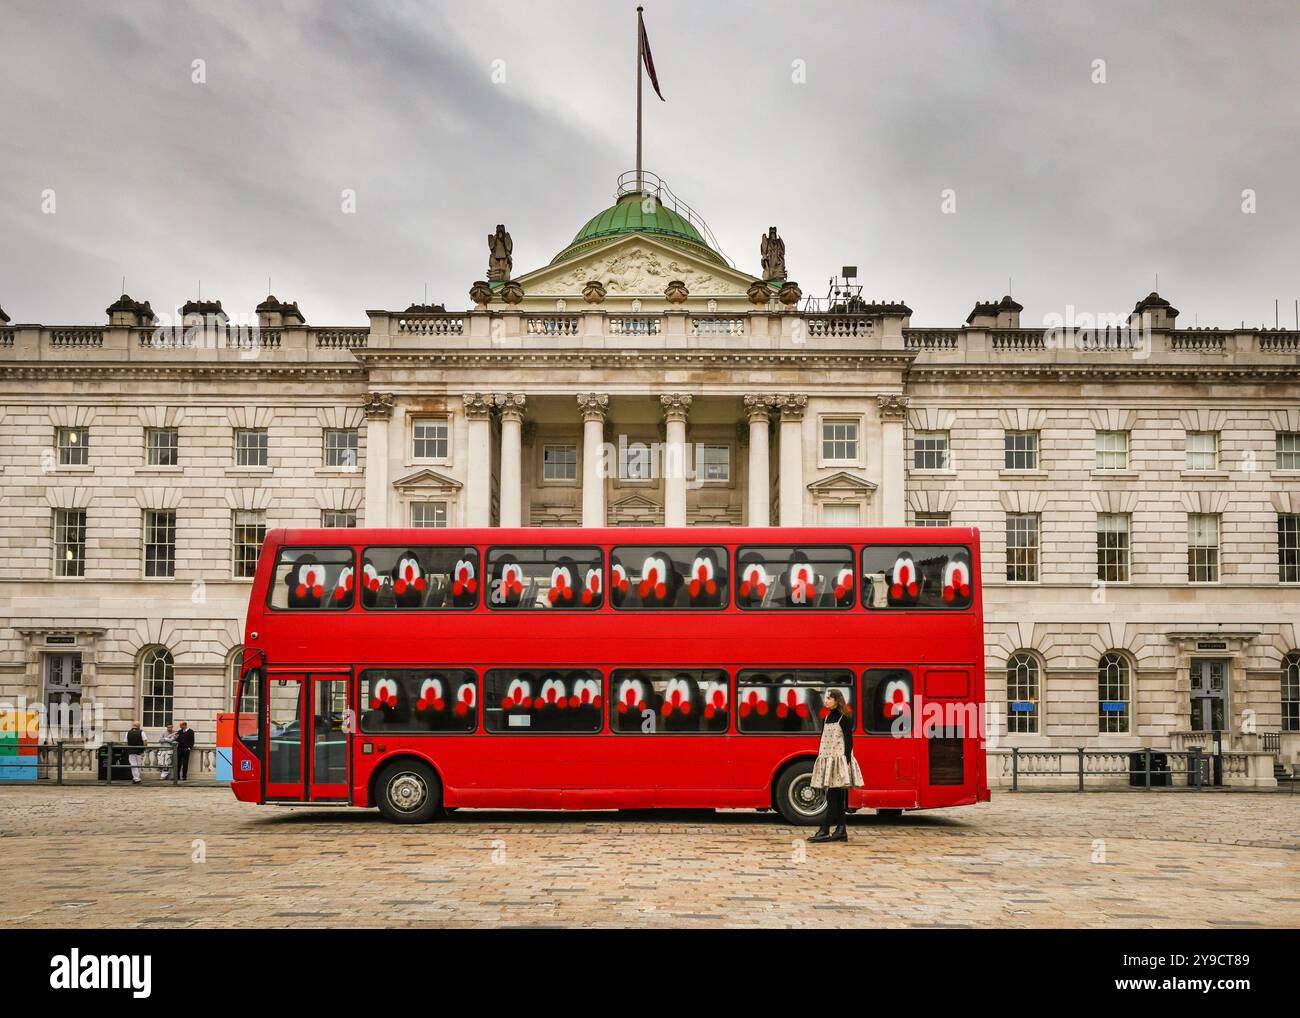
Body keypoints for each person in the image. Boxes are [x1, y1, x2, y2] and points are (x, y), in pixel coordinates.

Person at [808, 689, 863, 843]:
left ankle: (824, 830)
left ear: (837, 700)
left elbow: (849, 741)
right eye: (826, 698)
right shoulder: (827, 717)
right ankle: (841, 830)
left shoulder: (843, 718)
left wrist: (845, 762)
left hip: (838, 762)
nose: (826, 701)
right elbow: (823, 739)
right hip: (828, 759)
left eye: (829, 698)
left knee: (832, 796)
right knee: (837, 798)